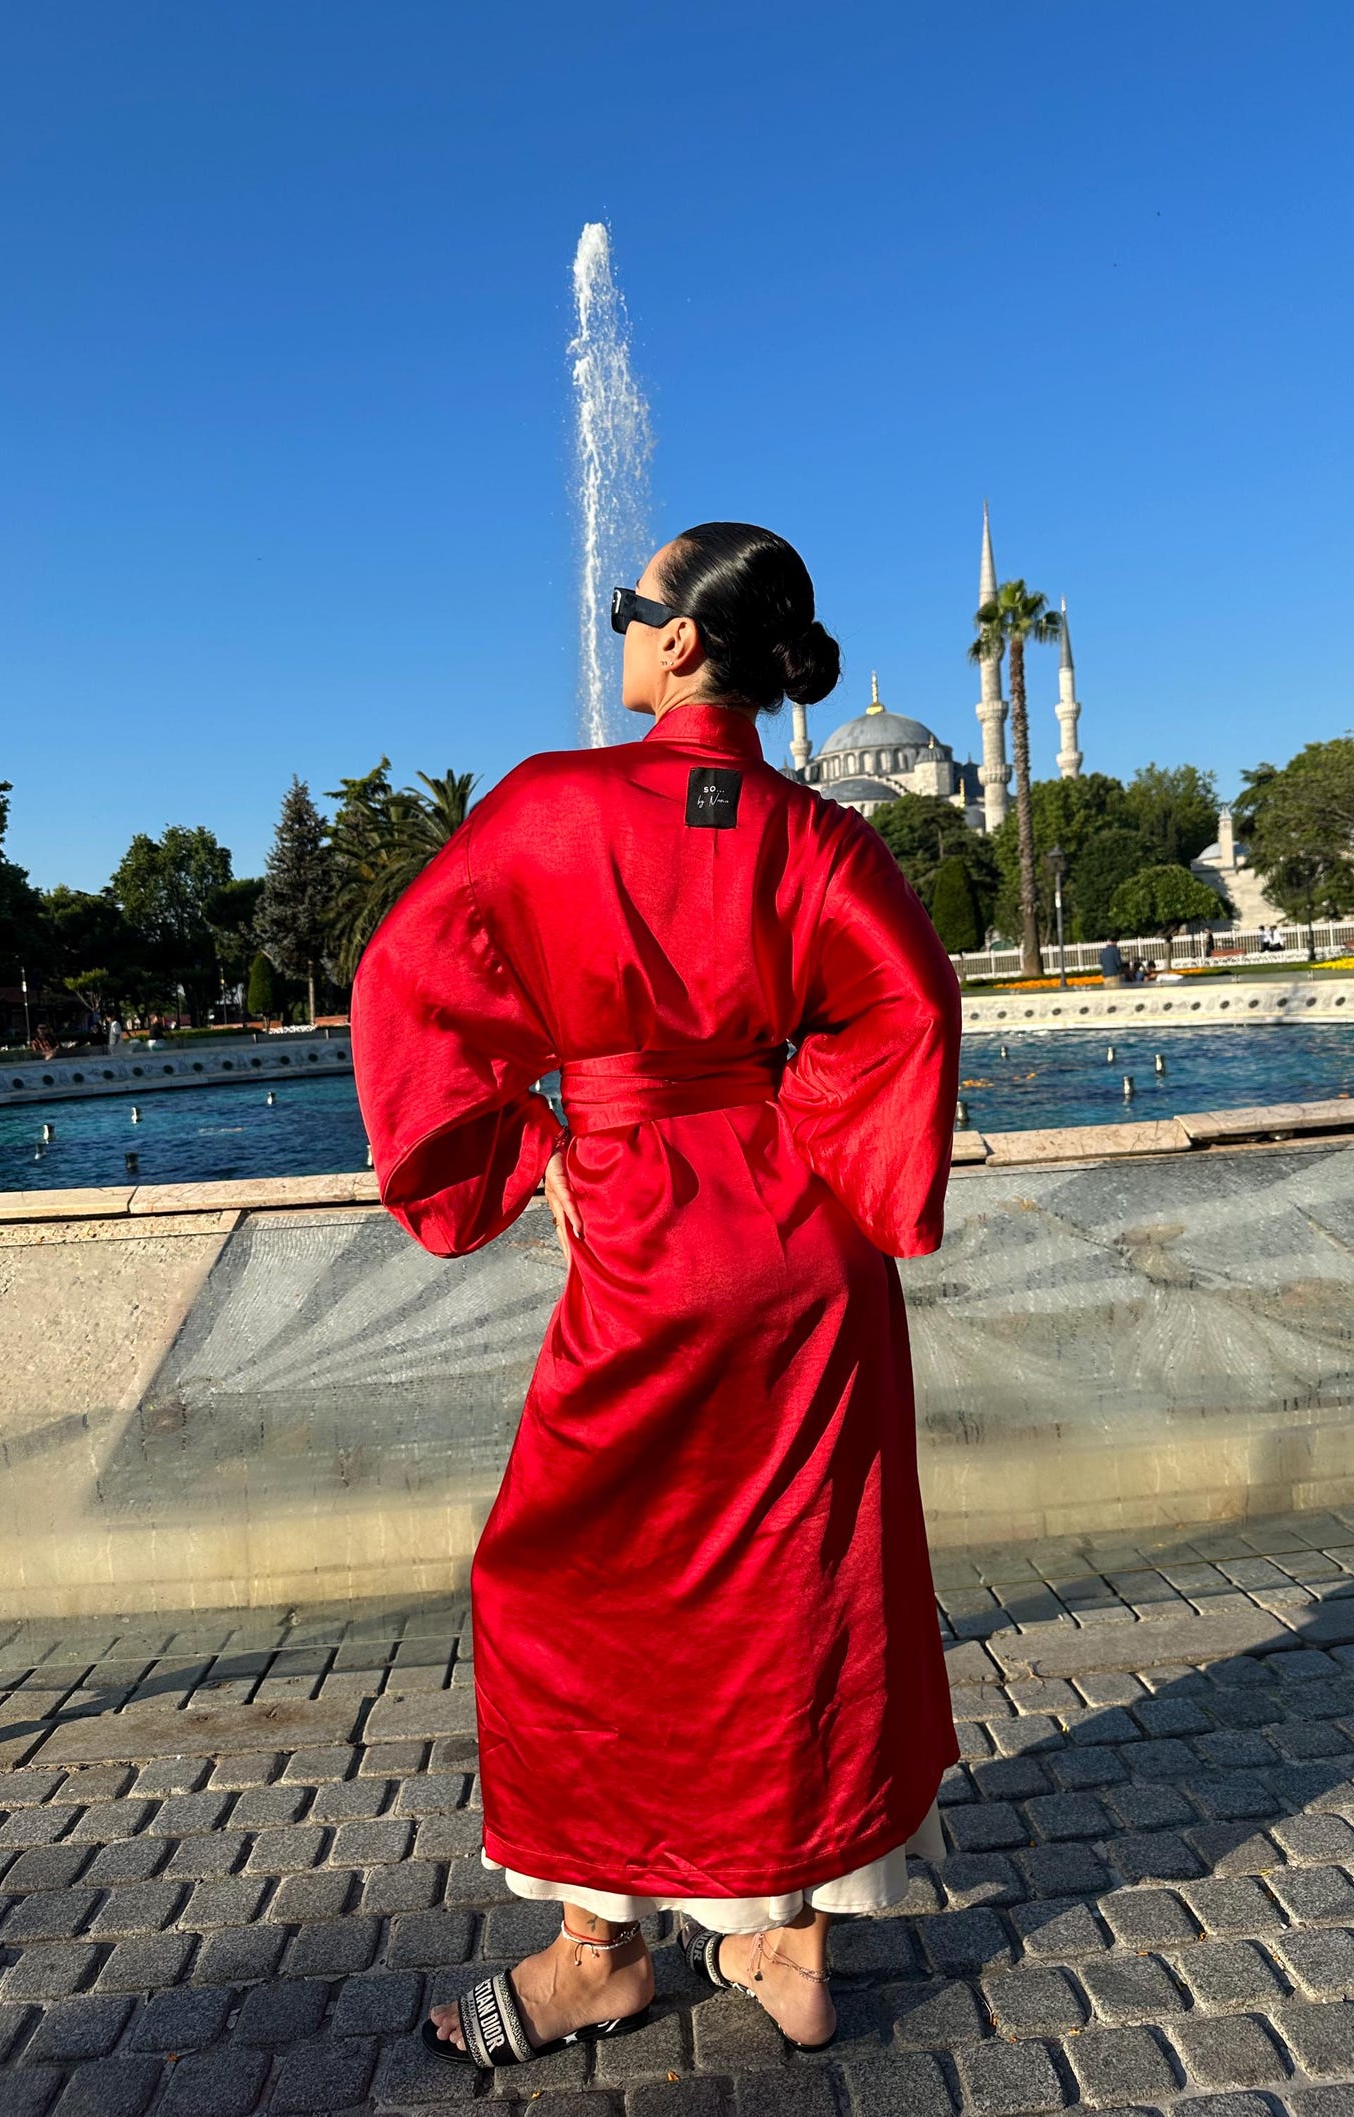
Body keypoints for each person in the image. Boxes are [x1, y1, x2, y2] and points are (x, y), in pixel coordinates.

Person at [353, 523, 961, 2075]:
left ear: (682, 643)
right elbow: (907, 1003)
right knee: (806, 1582)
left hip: (642, 1234)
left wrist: (539, 1136)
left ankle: (598, 1955)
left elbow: (404, 981)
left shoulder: (549, 808)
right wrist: (818, 1136)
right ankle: (793, 1944)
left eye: (630, 605)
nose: (616, 622)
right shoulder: (824, 840)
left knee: (566, 1583)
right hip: (809, 1252)